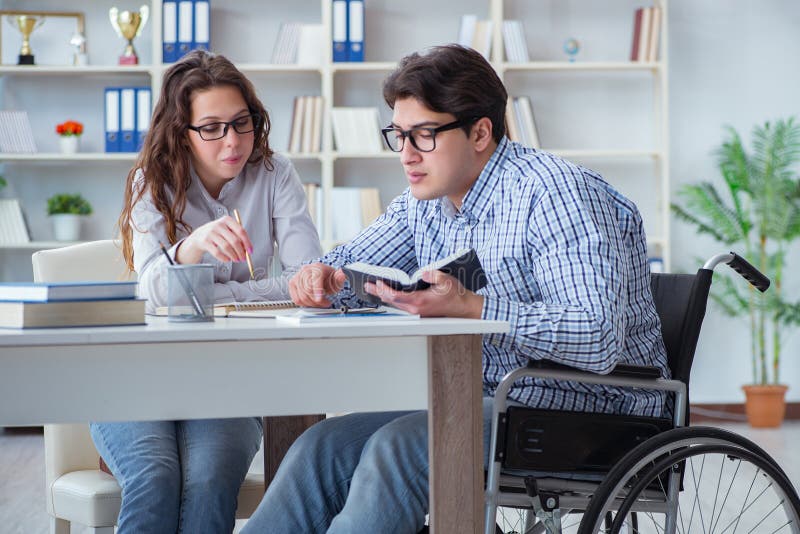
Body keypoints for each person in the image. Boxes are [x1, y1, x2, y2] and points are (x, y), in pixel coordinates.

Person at [240, 44, 668, 533]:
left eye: (423, 135)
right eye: (399, 136)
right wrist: (322, 277)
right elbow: (351, 266)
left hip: (596, 409)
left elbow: (597, 337)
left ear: (480, 132)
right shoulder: (424, 200)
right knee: (320, 448)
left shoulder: (555, 194)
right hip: (480, 395)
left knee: (398, 449)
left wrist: (472, 306)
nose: (406, 154)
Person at [92, 50, 322, 534]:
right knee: (155, 479)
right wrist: (193, 246)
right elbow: (152, 293)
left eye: (241, 123)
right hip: (137, 378)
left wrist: (203, 292)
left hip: (228, 378)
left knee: (210, 482)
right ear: (183, 132)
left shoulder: (275, 173)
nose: (232, 141)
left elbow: (306, 281)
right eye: (212, 128)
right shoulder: (151, 181)